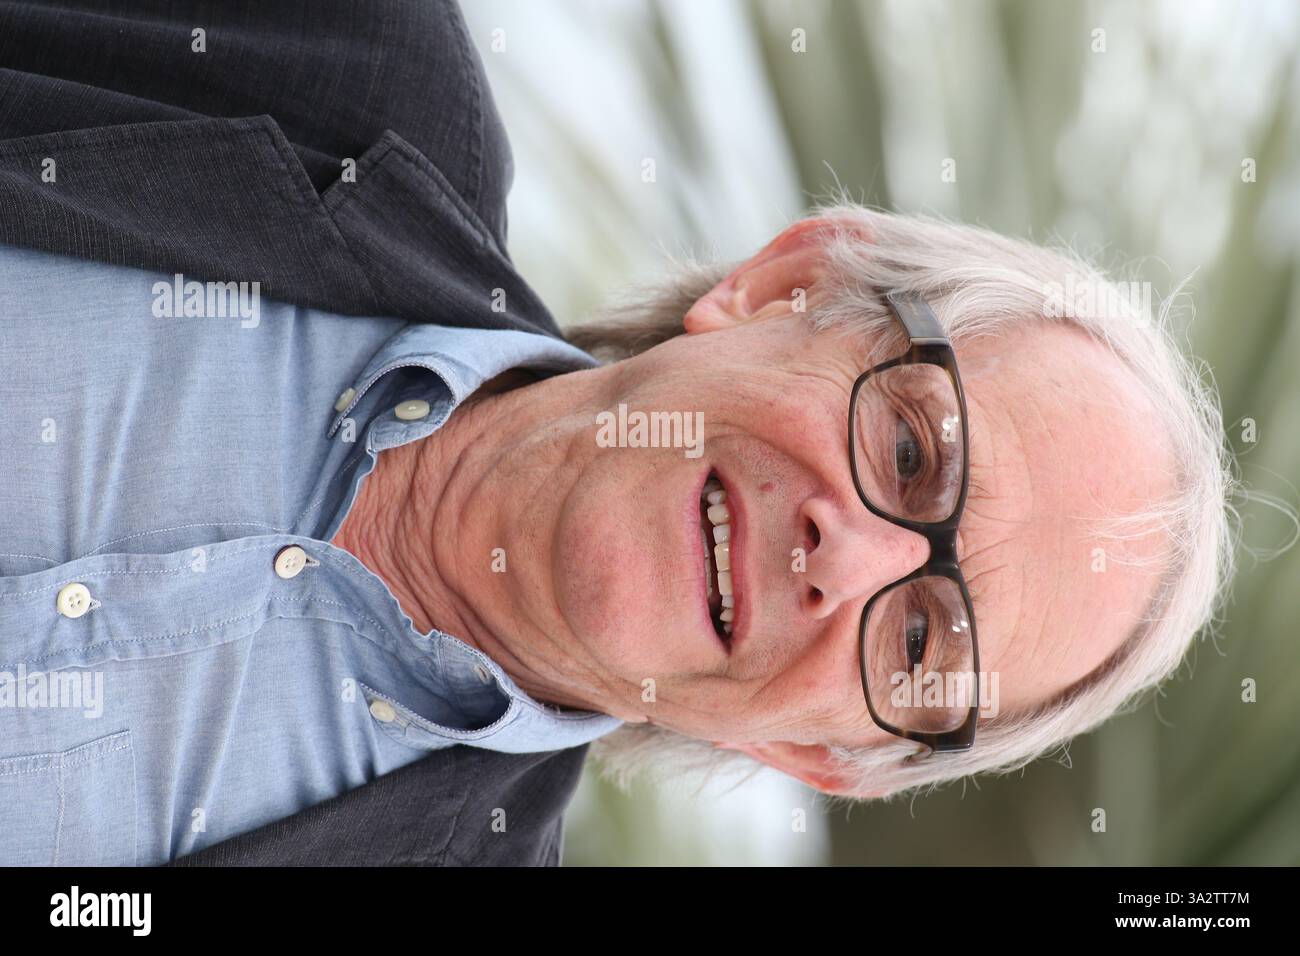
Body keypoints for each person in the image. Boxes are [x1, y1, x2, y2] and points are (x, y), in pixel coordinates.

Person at [0, 1, 1233, 865]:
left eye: (918, 639)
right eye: (913, 454)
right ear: (785, 284)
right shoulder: (336, 52)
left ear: (821, 753)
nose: (844, 556)